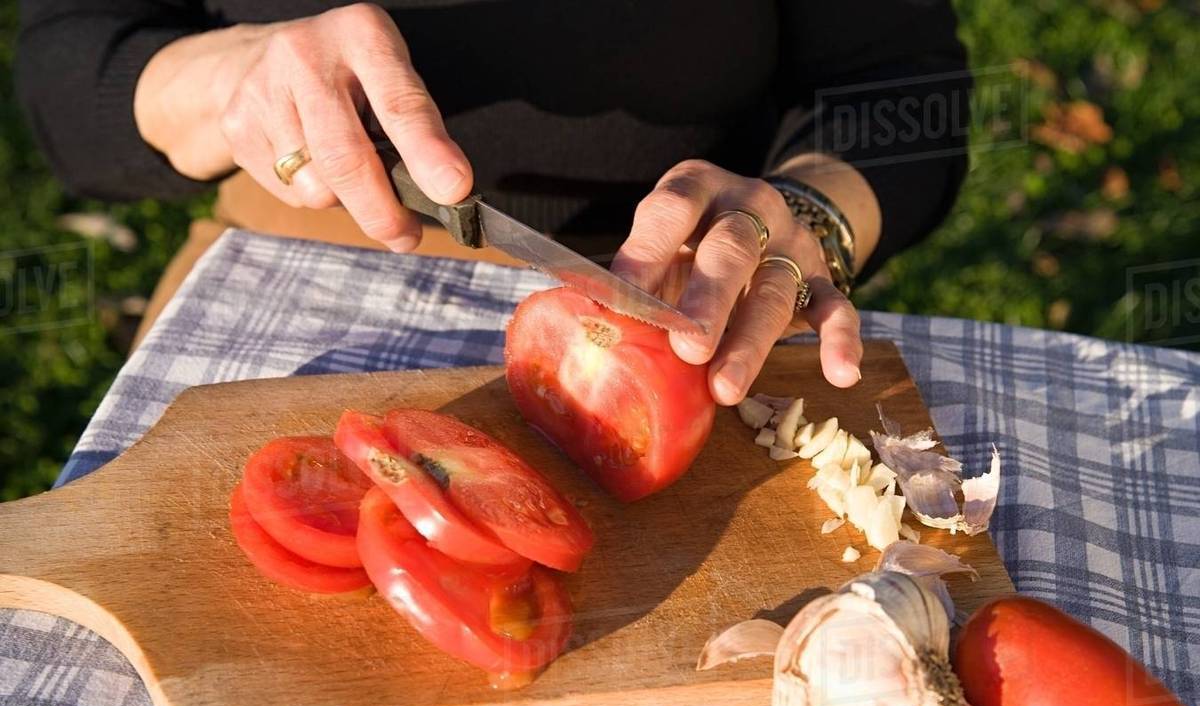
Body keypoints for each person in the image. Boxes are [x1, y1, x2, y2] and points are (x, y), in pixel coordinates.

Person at [16, 1, 971, 404]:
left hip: (685, 286)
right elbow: (70, 60)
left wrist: (813, 213)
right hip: (297, 244)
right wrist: (225, 78)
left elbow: (894, 79)